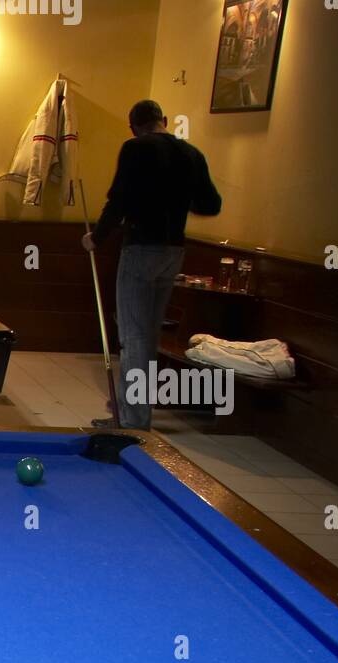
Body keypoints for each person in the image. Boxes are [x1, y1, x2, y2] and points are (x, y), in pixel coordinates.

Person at [83, 99, 222, 429]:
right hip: (173, 252)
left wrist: (96, 238)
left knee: (134, 338)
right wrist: (176, 197)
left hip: (141, 248)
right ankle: (134, 409)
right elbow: (211, 204)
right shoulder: (192, 153)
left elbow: (118, 200)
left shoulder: (135, 149)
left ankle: (132, 421)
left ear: (134, 125)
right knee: (150, 335)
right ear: (164, 120)